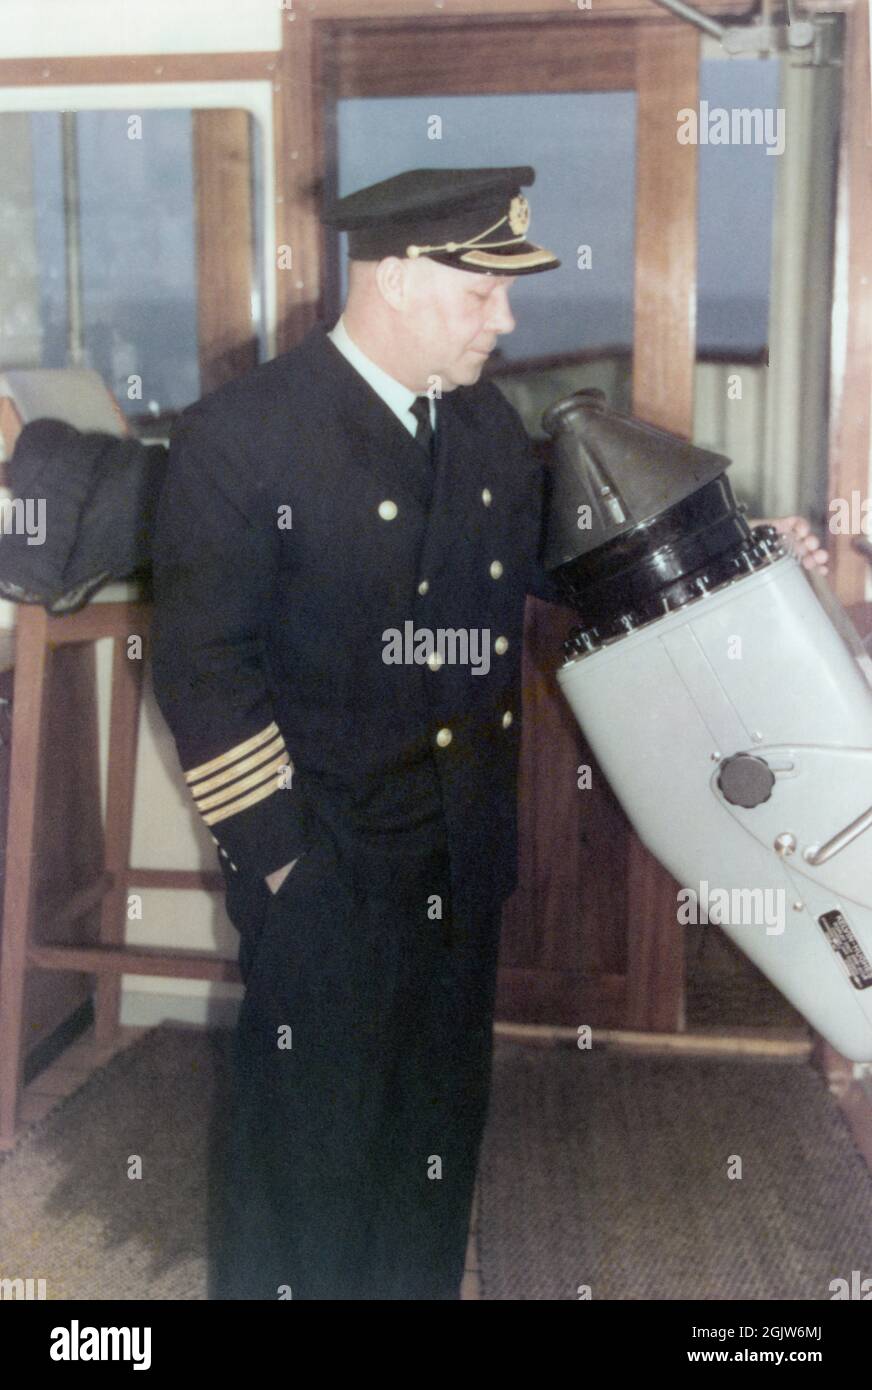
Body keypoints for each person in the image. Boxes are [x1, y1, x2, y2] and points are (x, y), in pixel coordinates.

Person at [150, 164, 827, 1301]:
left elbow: (574, 564)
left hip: (459, 861)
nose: (505, 320)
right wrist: (277, 857)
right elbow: (204, 675)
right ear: (400, 279)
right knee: (307, 1160)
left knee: (429, 1144)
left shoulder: (476, 425)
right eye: (482, 295)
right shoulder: (240, 437)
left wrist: (743, 560)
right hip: (325, 868)